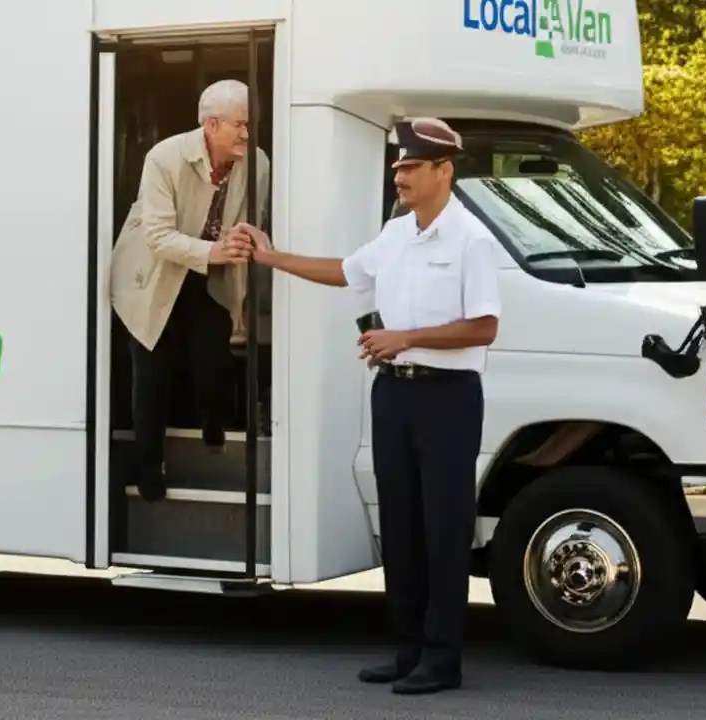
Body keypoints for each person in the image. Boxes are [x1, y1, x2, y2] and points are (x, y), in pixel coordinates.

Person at [231, 117, 501, 695]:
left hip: (447, 399)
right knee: (400, 525)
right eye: (398, 165)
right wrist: (272, 258)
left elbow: (484, 325)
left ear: (443, 171)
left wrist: (405, 337)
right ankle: (407, 650)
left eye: (410, 166)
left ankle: (442, 659)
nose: (398, 174)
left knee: (443, 527)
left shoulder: (471, 240)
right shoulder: (397, 231)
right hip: (394, 394)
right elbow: (345, 272)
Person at [109, 79, 268, 501]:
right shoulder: (164, 157)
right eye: (240, 125)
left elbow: (252, 220)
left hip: (208, 271)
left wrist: (240, 248)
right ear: (211, 124)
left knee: (213, 355)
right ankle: (148, 465)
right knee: (151, 371)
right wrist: (216, 250)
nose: (247, 135)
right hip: (153, 272)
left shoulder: (258, 163)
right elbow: (158, 237)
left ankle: (212, 420)